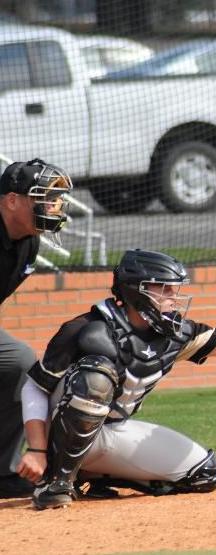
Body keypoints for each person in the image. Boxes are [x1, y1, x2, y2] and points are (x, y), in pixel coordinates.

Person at [16, 249, 216, 510]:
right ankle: (57, 482)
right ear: (138, 291)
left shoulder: (174, 334)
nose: (174, 296)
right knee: (96, 378)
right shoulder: (86, 329)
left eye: (175, 289)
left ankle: (98, 475)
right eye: (165, 288)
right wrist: (38, 450)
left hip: (108, 435)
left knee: (206, 474)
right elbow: (35, 386)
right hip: (57, 436)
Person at [0, 159, 72, 499]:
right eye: (43, 197)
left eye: (55, 198)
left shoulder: (28, 242)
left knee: (19, 361)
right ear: (12, 201)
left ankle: (2, 472)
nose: (53, 206)